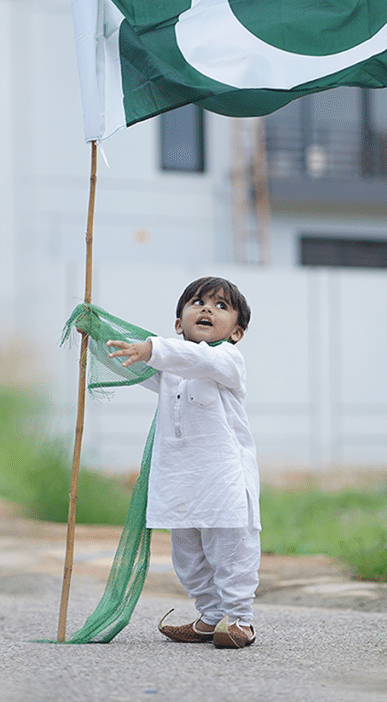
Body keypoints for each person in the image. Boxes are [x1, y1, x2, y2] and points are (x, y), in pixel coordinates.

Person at [107, 276, 259, 649]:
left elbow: (192, 357)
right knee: (187, 557)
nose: (207, 309)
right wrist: (96, 336)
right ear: (179, 325)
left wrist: (153, 349)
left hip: (222, 480)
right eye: (197, 302)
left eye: (221, 306)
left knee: (230, 552)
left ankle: (240, 619)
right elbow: (135, 365)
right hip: (179, 478)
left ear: (237, 332)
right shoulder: (169, 365)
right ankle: (209, 617)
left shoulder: (226, 360)